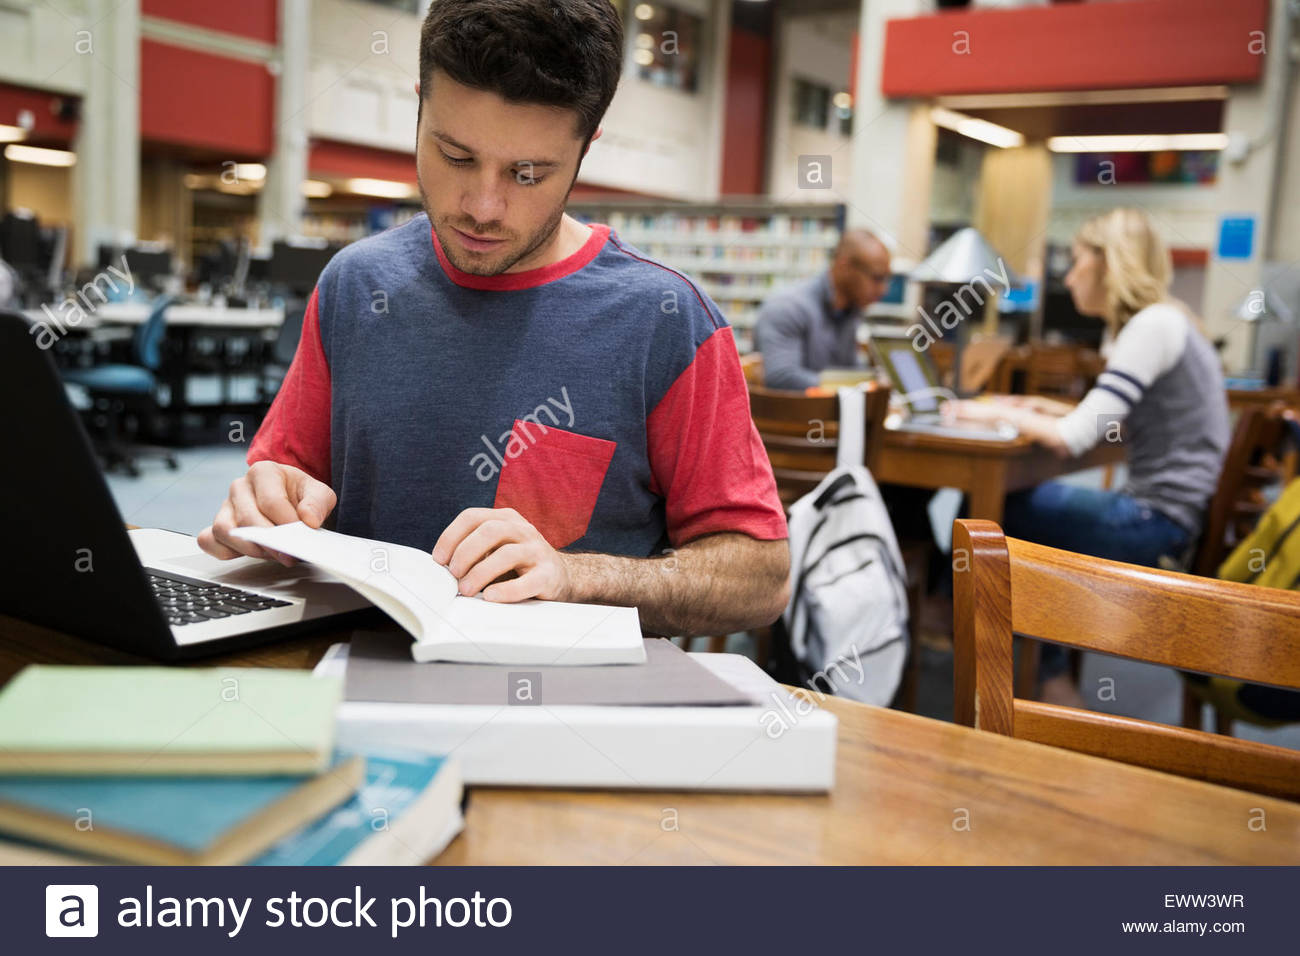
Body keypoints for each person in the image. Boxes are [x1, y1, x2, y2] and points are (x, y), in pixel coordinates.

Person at [197, 0, 790, 638]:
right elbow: (281, 484)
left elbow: (760, 579)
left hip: (565, 716)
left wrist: (575, 578)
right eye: (455, 156)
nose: (482, 207)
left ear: (587, 146)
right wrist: (265, 503)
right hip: (354, 692)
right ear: (420, 103)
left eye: (527, 173)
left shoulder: (665, 321)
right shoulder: (355, 285)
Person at [947, 208, 1230, 707]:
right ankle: (1037, 673)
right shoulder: (1168, 320)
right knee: (1014, 518)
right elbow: (1111, 426)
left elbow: (1073, 439)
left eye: (1077, 261)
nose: (1069, 274)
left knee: (994, 515)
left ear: (1108, 263)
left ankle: (1031, 676)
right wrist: (1040, 407)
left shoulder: (1150, 326)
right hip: (1174, 516)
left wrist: (987, 414)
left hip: (1155, 522)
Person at [754, 230, 892, 390]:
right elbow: (781, 378)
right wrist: (859, 387)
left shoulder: (851, 311)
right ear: (844, 266)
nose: (883, 290)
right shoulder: (787, 308)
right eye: (877, 278)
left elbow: (848, 369)